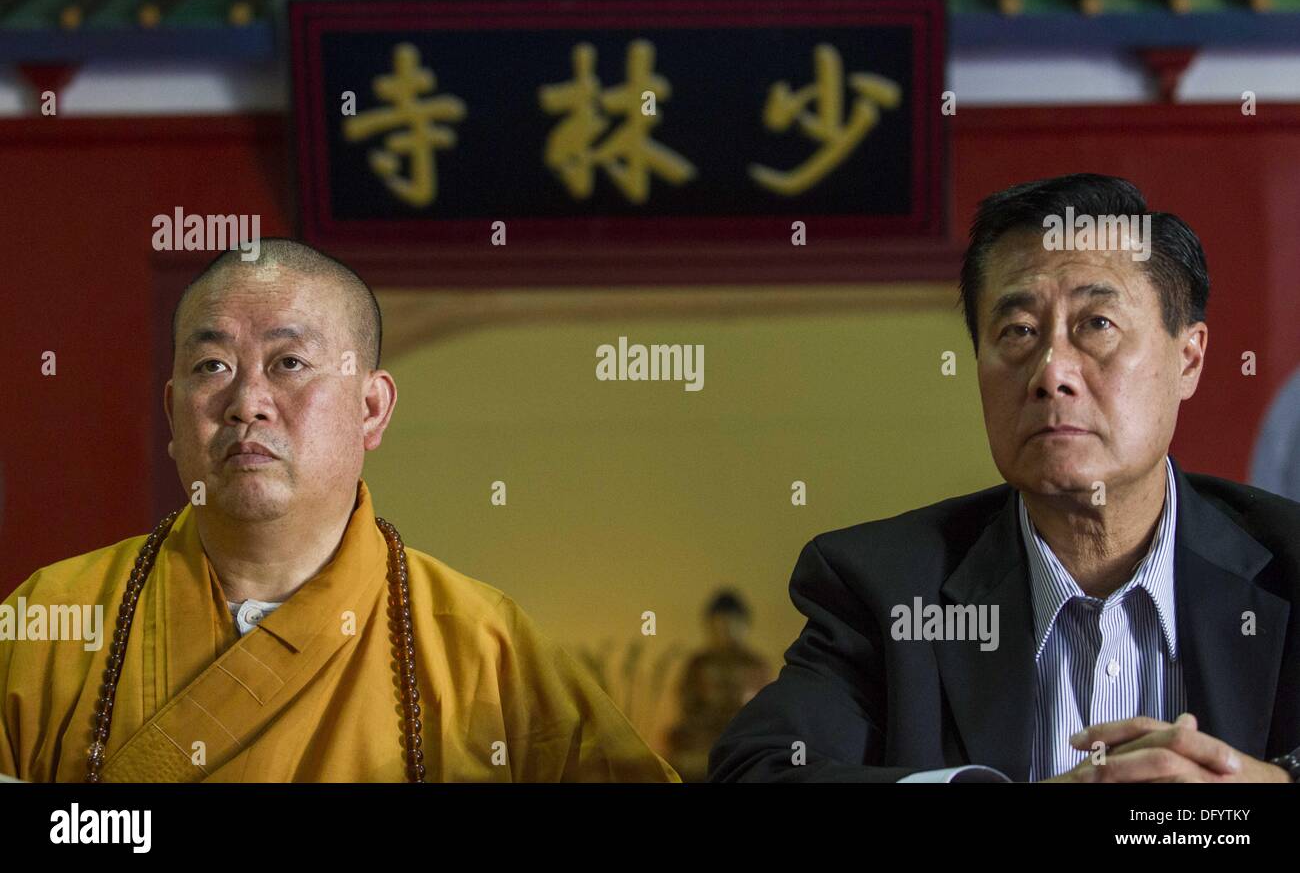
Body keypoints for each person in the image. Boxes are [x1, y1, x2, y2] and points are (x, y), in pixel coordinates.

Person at [0, 238, 679, 783]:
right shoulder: (54, 618)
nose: (248, 402)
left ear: (371, 407)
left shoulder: (483, 645)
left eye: (289, 362)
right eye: (212, 366)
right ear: (174, 410)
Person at [710, 174, 1300, 783]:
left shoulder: (1289, 565)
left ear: (1188, 358)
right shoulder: (883, 590)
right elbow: (755, 773)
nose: (1052, 373)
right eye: (1018, 332)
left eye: (1097, 324)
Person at [666, 590, 772, 781]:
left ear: (745, 625)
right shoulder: (697, 664)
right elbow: (687, 704)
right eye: (719, 625)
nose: (725, 632)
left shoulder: (756, 665)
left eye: (731, 624)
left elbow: (764, 709)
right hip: (703, 738)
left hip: (743, 737)